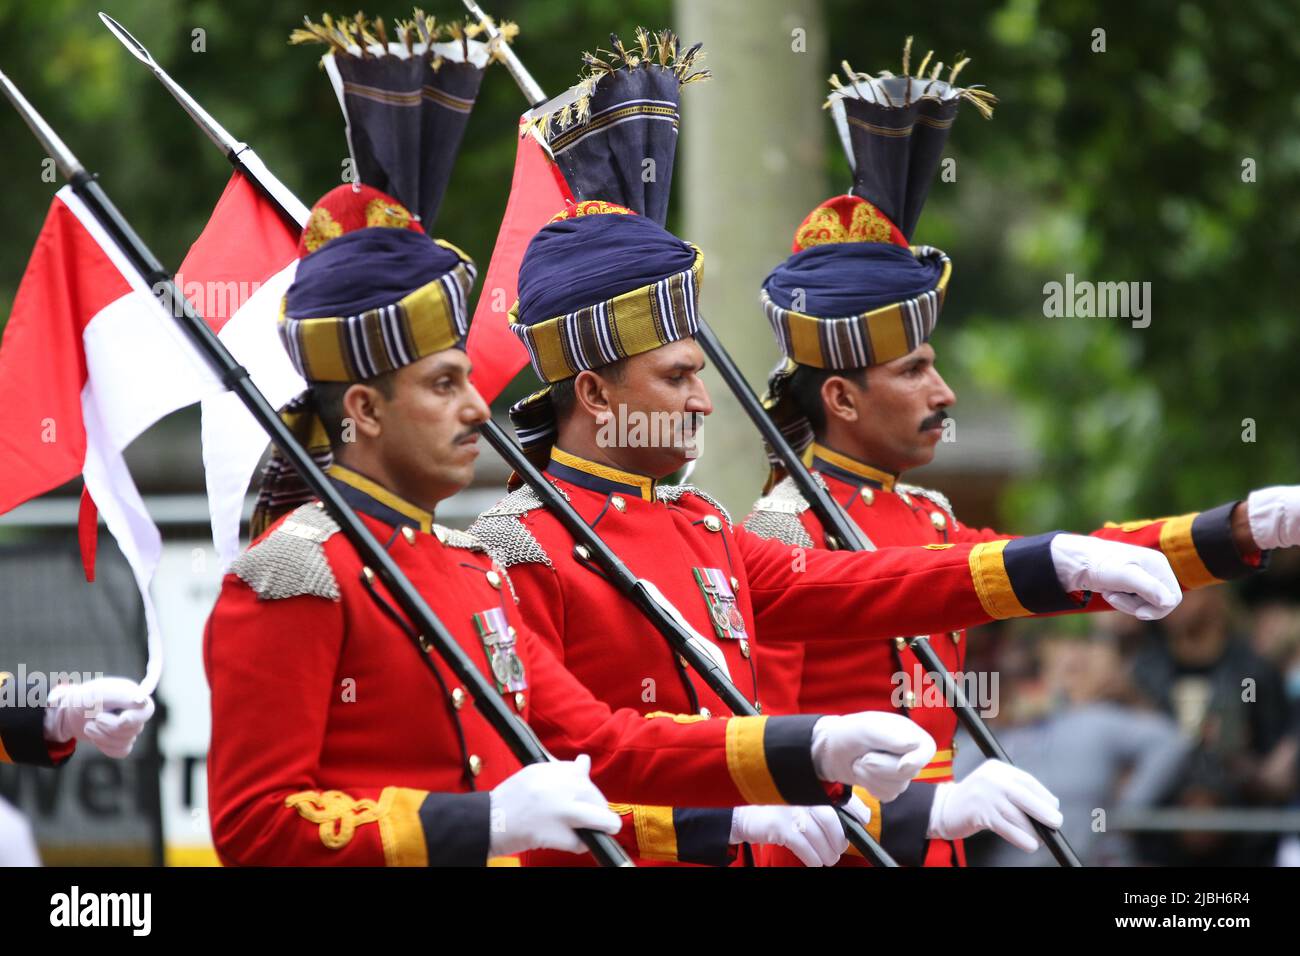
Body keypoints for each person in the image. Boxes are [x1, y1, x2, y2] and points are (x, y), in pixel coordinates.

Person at [204, 23, 931, 866]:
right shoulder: (293, 572)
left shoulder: (466, 569)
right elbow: (254, 828)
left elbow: (601, 742)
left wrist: (802, 754)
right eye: (445, 386)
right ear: (363, 408)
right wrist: (476, 825)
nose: (480, 409)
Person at [469, 35, 1176, 867]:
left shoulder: (700, 526)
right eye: (676, 377)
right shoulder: (515, 545)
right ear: (593, 394)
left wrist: (1059, 560)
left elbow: (871, 582)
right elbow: (580, 751)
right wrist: (800, 762)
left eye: (698, 374)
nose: (702, 401)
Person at [741, 43, 1298, 866]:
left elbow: (1068, 572)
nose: (946, 393)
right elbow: (770, 766)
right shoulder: (782, 532)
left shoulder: (924, 515)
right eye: (915, 370)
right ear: (842, 398)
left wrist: (1241, 527)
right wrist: (924, 811)